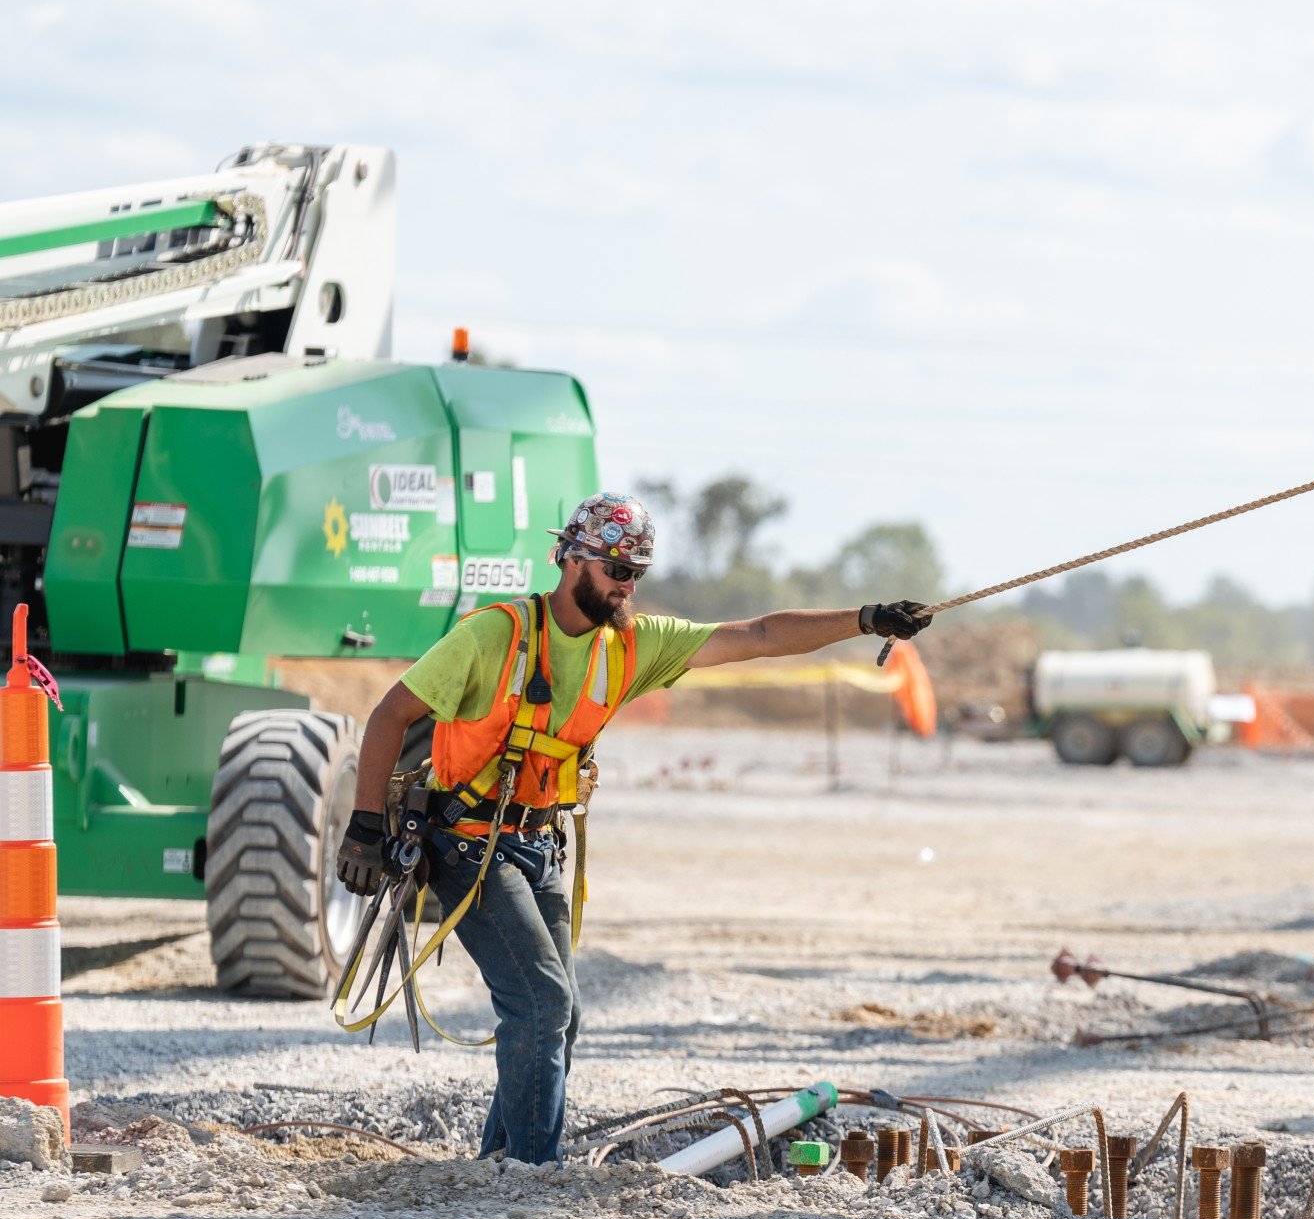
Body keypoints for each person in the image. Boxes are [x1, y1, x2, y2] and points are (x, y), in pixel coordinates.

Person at [332, 491, 934, 1165]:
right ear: (570, 558)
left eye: (634, 572)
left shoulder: (630, 646)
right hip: (467, 840)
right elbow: (390, 713)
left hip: (539, 843)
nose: (624, 583)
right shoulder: (493, 636)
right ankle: (533, 1174)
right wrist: (362, 827)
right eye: (613, 567)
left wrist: (864, 617)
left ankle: (502, 1164)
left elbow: (759, 635)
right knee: (541, 1004)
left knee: (561, 1016)